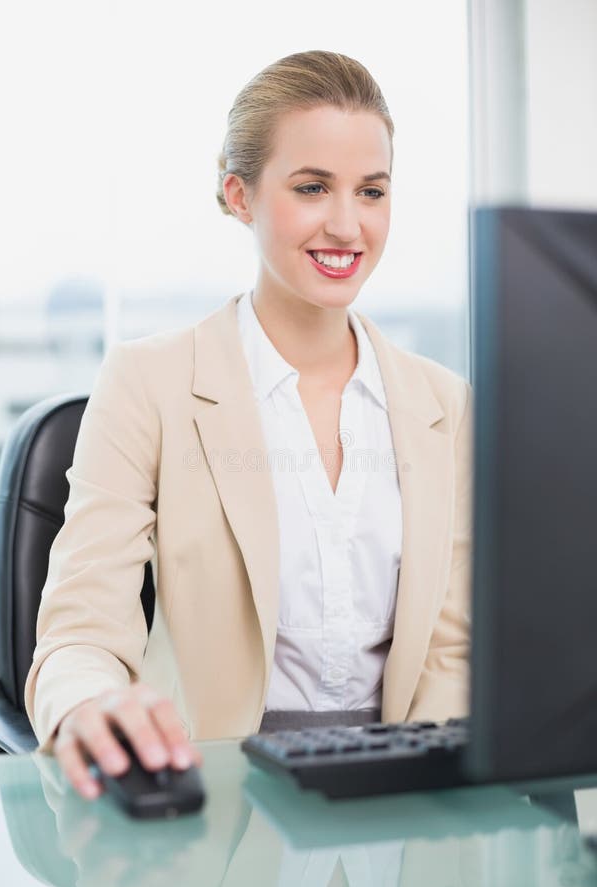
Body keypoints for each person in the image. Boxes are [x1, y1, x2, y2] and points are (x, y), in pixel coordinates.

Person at [24, 50, 473, 802]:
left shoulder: (444, 404)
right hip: (215, 793)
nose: (346, 223)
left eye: (372, 190)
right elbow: (81, 628)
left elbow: (456, 652)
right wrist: (87, 705)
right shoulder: (150, 383)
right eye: (311, 188)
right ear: (240, 195)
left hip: (403, 795)